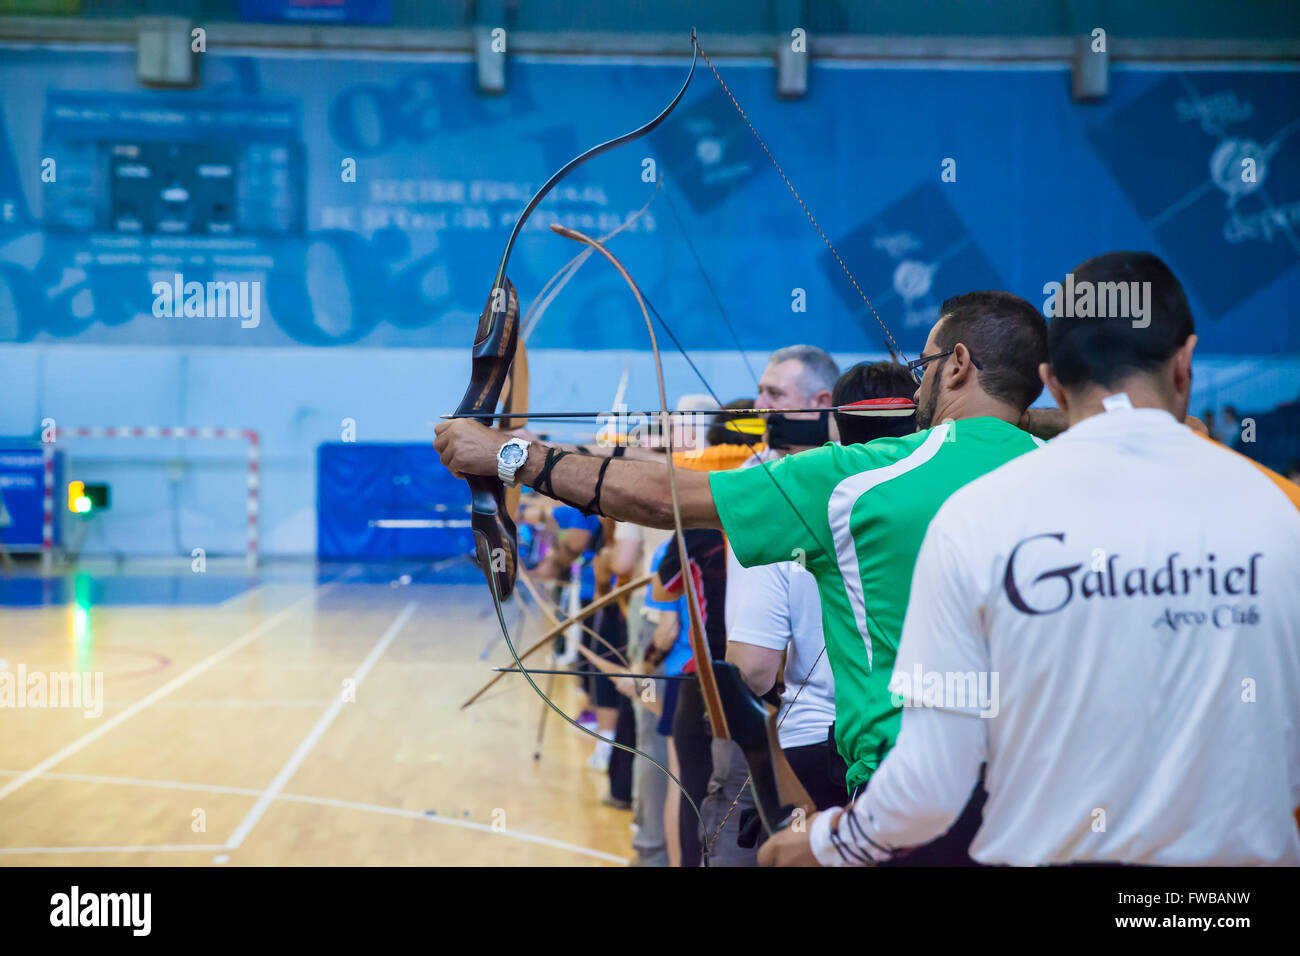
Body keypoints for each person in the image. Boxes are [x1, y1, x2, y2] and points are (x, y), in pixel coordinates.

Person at [435, 290, 1052, 864]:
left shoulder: (861, 481)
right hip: (1048, 794)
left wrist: (507, 455)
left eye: (926, 365)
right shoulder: (1069, 477)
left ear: (959, 364)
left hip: (910, 798)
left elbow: (661, 499)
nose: (917, 384)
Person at [764, 251, 1300, 867]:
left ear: (1049, 381)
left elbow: (934, 778)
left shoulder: (978, 517)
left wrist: (825, 843)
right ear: (1184, 364)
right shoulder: (1282, 510)